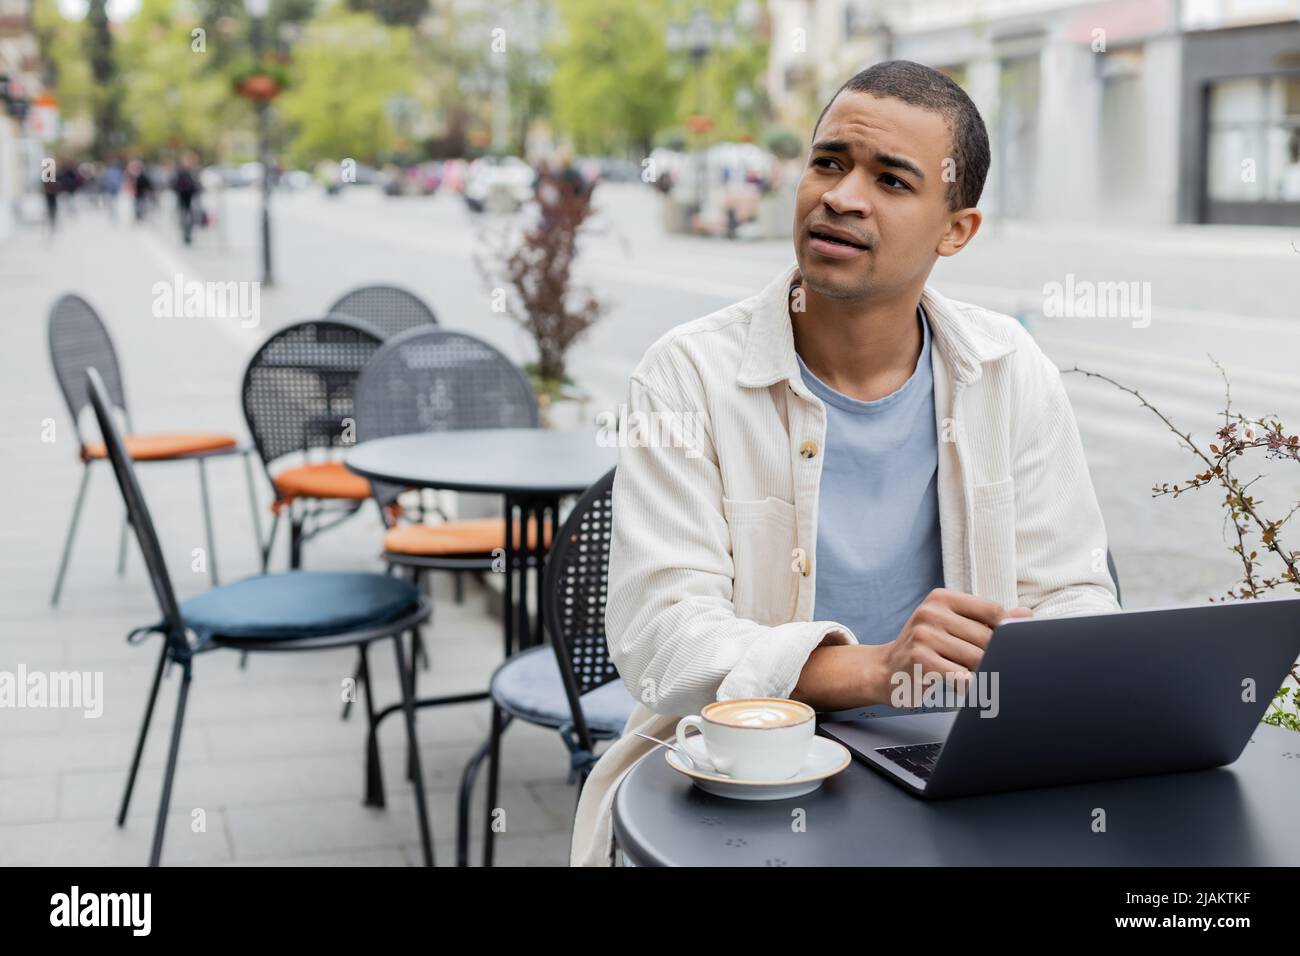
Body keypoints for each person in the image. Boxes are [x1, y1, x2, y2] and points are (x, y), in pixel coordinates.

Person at [570, 60, 1120, 866]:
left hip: (962, 770)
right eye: (829, 162)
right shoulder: (686, 373)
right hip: (739, 780)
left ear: (954, 230)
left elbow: (1074, 594)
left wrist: (1055, 665)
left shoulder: (1009, 369)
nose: (841, 196)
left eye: (891, 180)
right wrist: (878, 670)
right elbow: (663, 644)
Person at [172, 152, 202, 245]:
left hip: (192, 198)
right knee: (184, 217)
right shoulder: (180, 172)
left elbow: (198, 184)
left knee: (192, 218)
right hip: (182, 198)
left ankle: (188, 235)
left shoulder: (194, 172)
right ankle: (186, 235)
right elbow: (174, 185)